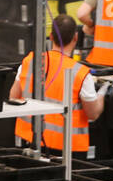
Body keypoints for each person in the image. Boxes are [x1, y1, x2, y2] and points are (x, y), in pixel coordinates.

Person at [10, 15, 105, 153]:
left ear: (51, 36)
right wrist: (102, 91)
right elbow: (93, 113)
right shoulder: (81, 73)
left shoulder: (30, 61)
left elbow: (13, 96)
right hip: (65, 151)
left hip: (27, 140)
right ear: (75, 37)